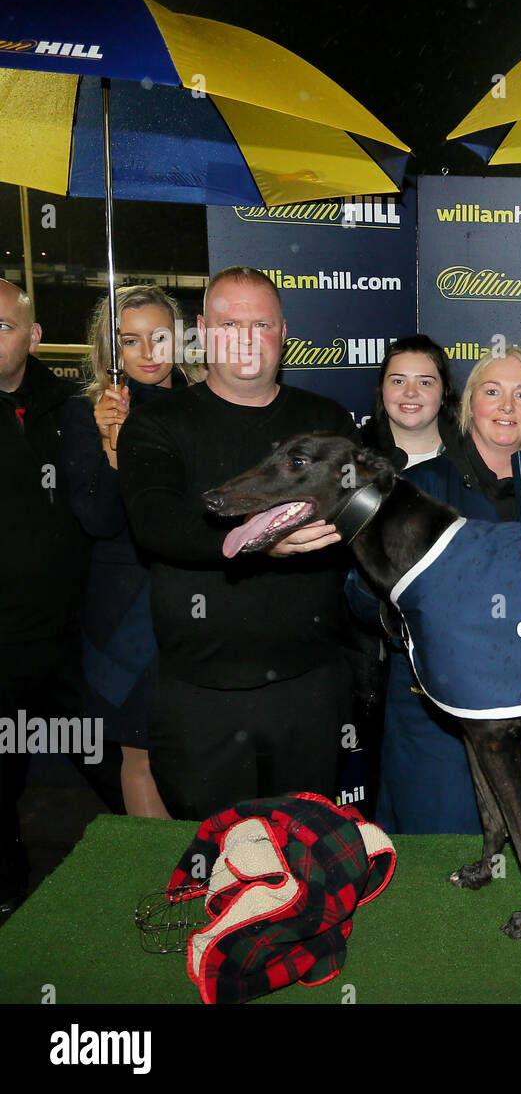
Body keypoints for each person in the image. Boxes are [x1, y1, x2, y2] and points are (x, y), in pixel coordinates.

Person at [116, 267, 357, 821]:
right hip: (202, 694)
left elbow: (360, 519)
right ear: (202, 329)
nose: (247, 340)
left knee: (303, 855)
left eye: (261, 324)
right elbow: (155, 522)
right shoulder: (160, 423)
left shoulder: (326, 420)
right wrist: (259, 539)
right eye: (230, 324)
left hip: (311, 687)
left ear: (283, 332)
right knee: (216, 865)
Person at [347, 345, 521, 835]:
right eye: (492, 392)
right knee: (436, 876)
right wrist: (410, 619)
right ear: (470, 405)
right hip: (437, 722)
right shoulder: (414, 488)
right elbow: (359, 593)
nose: (507, 406)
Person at [61, 285, 205, 819]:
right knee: (140, 749)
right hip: (124, 605)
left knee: (198, 743)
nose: (148, 353)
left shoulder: (204, 405)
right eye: (130, 341)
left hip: (195, 596)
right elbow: (97, 521)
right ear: (110, 349)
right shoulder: (89, 415)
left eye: (159, 337)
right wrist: (111, 445)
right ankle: (159, 885)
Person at [0, 279, 97, 922]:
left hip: (75, 637)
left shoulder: (75, 407)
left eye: (2, 326)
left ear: (34, 336)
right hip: (2, 647)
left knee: (122, 761)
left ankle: (165, 867)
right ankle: (8, 888)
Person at [360, 334, 459, 468]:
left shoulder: (476, 456)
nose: (410, 392)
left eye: (424, 382)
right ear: (382, 389)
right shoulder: (353, 457)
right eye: (398, 381)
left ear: (445, 393)